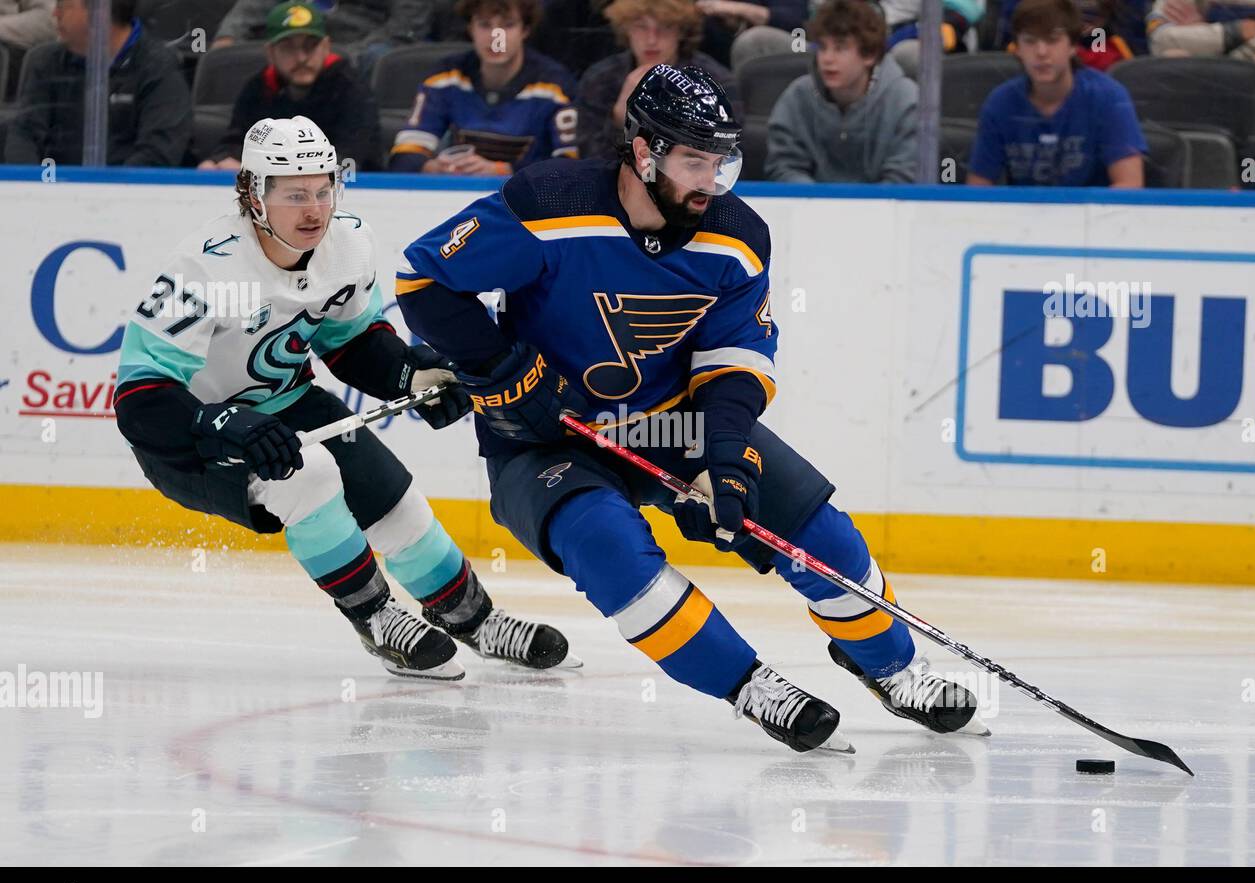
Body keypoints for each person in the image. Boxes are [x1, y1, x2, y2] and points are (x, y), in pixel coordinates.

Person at [394, 64, 987, 753]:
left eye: (722, 163)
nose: (711, 182)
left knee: (820, 532)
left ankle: (891, 665)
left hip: (672, 425)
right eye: (694, 162)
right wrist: (502, 367)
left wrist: (724, 460)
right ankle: (749, 685)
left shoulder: (736, 237)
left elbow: (735, 360)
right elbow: (424, 278)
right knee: (611, 549)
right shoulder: (547, 202)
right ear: (644, 153)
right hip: (545, 437)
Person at [114, 116, 576, 679]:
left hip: (285, 403)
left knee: (394, 498)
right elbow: (139, 397)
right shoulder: (204, 267)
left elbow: (352, 342)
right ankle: (376, 617)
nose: (314, 209)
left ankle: (474, 619)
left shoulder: (348, 242)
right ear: (254, 197)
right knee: (307, 475)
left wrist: (411, 375)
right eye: (294, 195)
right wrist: (220, 424)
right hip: (188, 437)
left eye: (323, 189)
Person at [967, 0, 1146, 186]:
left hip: (1094, 213)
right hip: (1024, 214)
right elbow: (977, 190)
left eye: (1052, 40)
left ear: (1073, 46)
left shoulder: (1109, 98)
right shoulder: (1000, 104)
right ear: (1017, 49)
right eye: (1030, 41)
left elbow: (1129, 186)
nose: (1041, 52)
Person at [388, 0, 577, 175]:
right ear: (471, 28)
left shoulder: (555, 85)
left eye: (508, 25)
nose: (496, 38)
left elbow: (570, 163)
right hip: (458, 197)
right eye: (485, 25)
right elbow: (405, 154)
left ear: (525, 30)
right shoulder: (446, 76)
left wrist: (502, 170)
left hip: (530, 201)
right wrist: (434, 167)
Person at [3, 0, 190, 167]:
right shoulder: (44, 61)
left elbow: (157, 152)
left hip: (127, 198)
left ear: (99, 12)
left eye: (63, 6)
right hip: (52, 193)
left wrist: (106, 194)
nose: (55, 14)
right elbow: (24, 135)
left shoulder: (159, 67)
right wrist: (35, 189)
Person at [199, 2, 381, 172]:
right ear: (270, 53)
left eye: (310, 47)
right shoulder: (258, 88)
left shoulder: (352, 89)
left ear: (326, 47)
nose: (301, 58)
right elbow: (236, 141)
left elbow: (349, 160)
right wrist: (220, 159)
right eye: (288, 48)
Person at [766, 0, 917, 183]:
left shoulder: (905, 99)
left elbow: (904, 176)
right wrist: (816, 203)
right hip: (808, 208)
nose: (827, 59)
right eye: (822, 47)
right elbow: (784, 166)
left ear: (869, 54)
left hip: (887, 209)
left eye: (840, 48)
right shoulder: (797, 96)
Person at [574, 0, 741, 162]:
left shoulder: (715, 82)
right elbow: (592, 163)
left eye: (665, 28)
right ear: (626, 30)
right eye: (641, 27)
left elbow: (730, 158)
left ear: (681, 31)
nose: (651, 40)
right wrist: (620, 120)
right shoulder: (600, 79)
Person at [212, 0, 433, 77]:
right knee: (232, 55)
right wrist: (229, 35)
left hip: (365, 40)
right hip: (298, 33)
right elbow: (253, 6)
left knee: (375, 57)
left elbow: (407, 22)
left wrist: (346, 54)